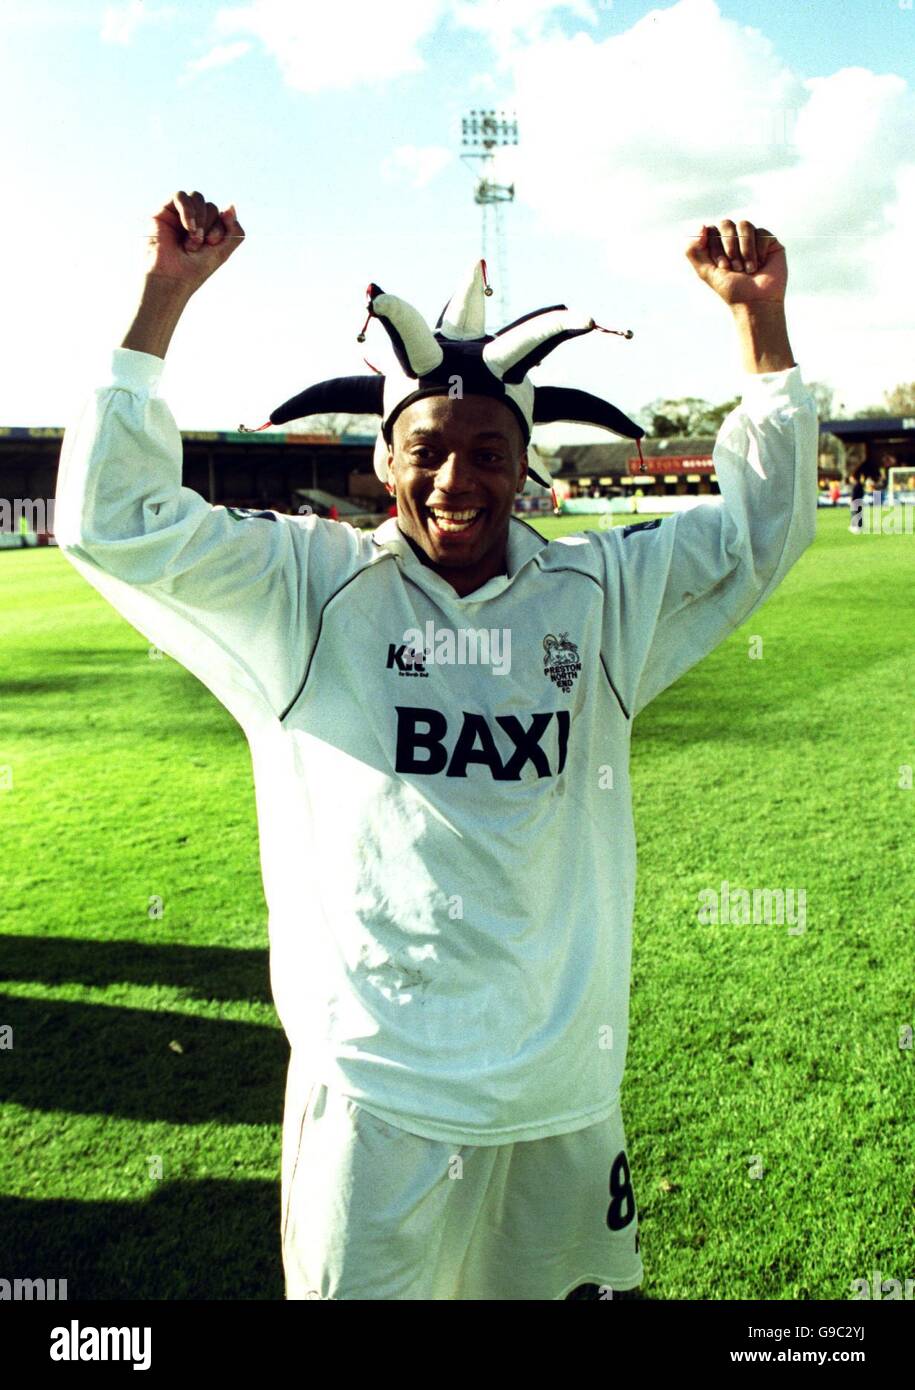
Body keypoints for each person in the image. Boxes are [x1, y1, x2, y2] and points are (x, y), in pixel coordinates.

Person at [54, 194, 817, 1301]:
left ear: (527, 462)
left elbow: (761, 531)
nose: (457, 479)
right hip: (377, 1099)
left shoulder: (599, 594)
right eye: (429, 449)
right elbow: (108, 521)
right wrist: (162, 297)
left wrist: (763, 337)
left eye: (488, 451)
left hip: (558, 1096)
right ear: (380, 456)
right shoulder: (308, 590)